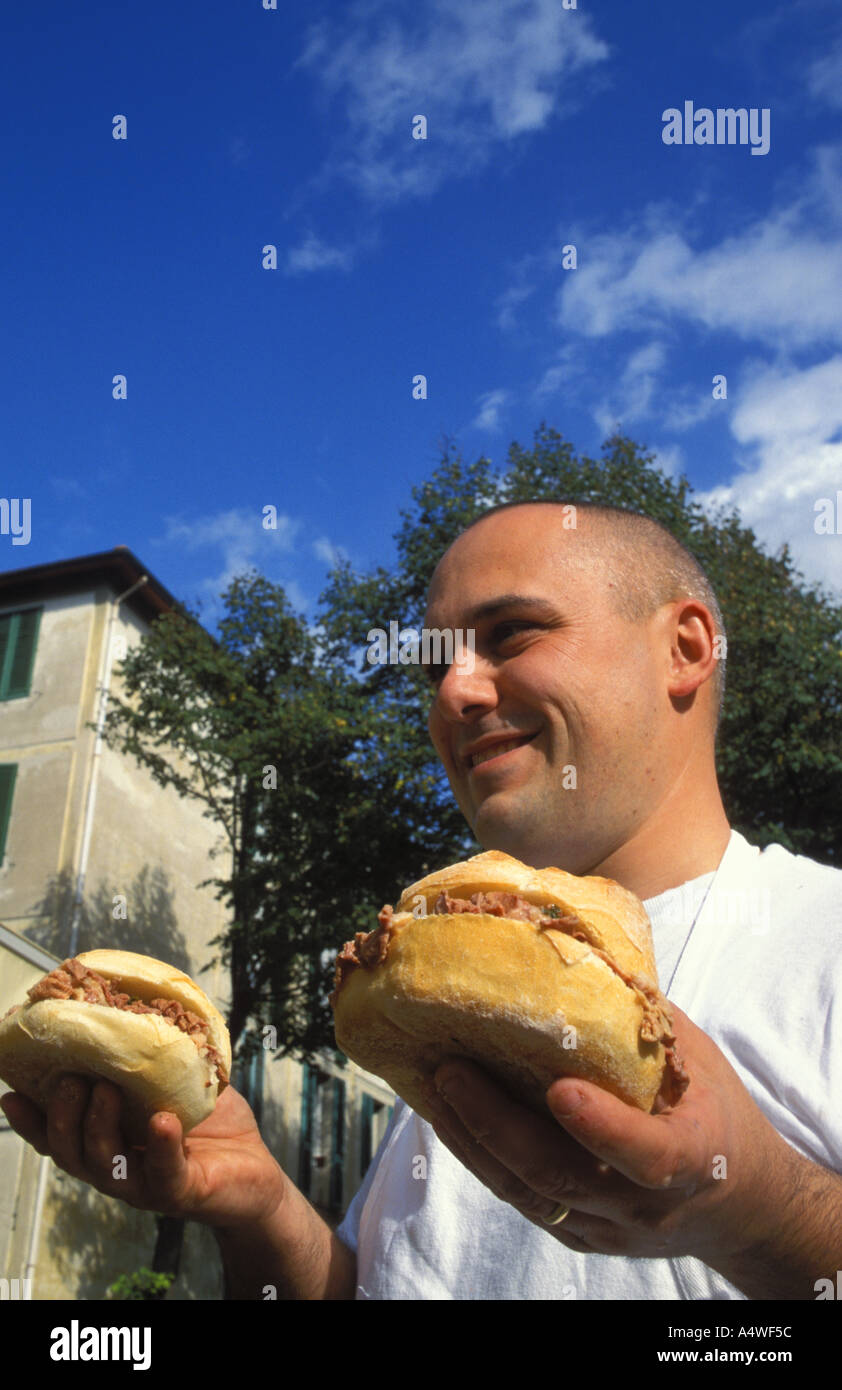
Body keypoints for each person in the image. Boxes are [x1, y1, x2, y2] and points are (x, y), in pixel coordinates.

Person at [2, 500, 840, 1300]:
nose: (452, 694)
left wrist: (759, 1212)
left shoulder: (819, 940)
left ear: (686, 648)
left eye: (512, 633)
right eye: (437, 664)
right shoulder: (450, 1007)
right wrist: (256, 1203)